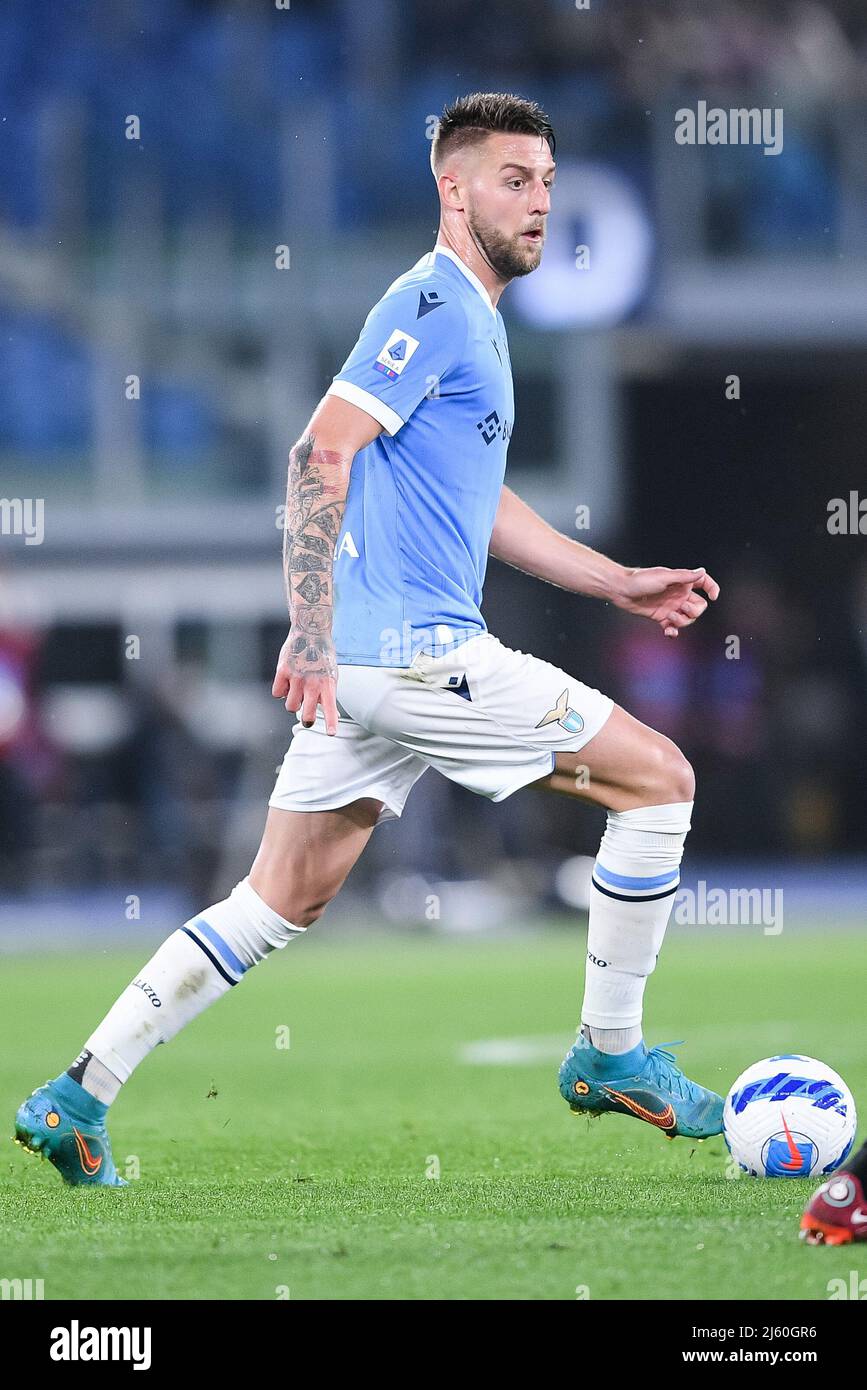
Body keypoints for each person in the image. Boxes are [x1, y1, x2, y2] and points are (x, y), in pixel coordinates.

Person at [14, 92, 721, 1187]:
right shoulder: (430, 302)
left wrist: (614, 580)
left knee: (276, 899)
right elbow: (319, 453)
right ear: (454, 189)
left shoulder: (476, 319)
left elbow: (481, 505)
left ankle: (77, 1094)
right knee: (660, 782)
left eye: (546, 182)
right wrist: (308, 629)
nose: (539, 203)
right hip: (415, 657)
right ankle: (609, 1052)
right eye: (514, 181)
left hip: (374, 672)